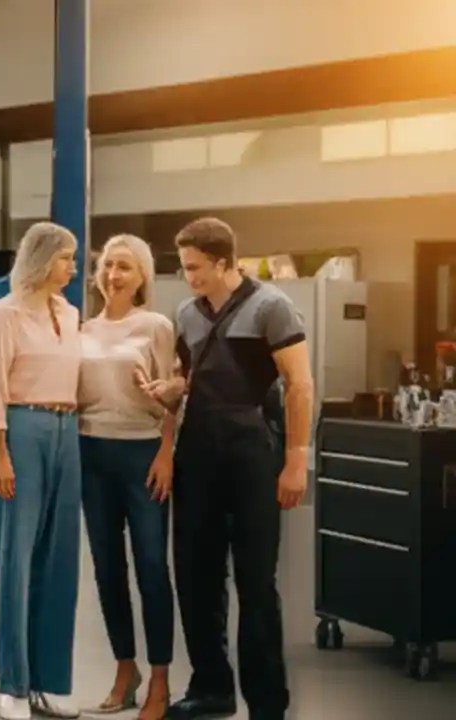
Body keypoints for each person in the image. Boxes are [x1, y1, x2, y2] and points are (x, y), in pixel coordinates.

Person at [140, 217, 313, 720]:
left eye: (195, 267)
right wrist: (170, 392)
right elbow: (189, 379)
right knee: (195, 575)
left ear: (223, 263)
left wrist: (296, 460)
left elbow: (300, 384)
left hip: (253, 454)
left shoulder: (271, 307)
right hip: (198, 454)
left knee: (255, 583)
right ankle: (211, 688)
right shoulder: (187, 313)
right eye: (184, 266)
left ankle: (267, 703)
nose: (188, 276)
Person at [0, 221, 84, 720]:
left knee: (60, 560)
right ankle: (14, 685)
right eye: (66, 258)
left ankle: (50, 682)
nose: (73, 268)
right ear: (42, 259)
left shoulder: (71, 313)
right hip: (21, 430)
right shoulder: (5, 314)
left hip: (68, 430)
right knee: (17, 560)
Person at [76, 235, 177, 720]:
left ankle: (160, 679)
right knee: (107, 567)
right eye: (108, 265)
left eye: (125, 268)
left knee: (152, 567)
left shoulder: (155, 326)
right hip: (91, 452)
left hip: (143, 454)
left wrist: (166, 452)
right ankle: (125, 668)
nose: (114, 275)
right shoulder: (82, 330)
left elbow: (174, 396)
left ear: (142, 278)